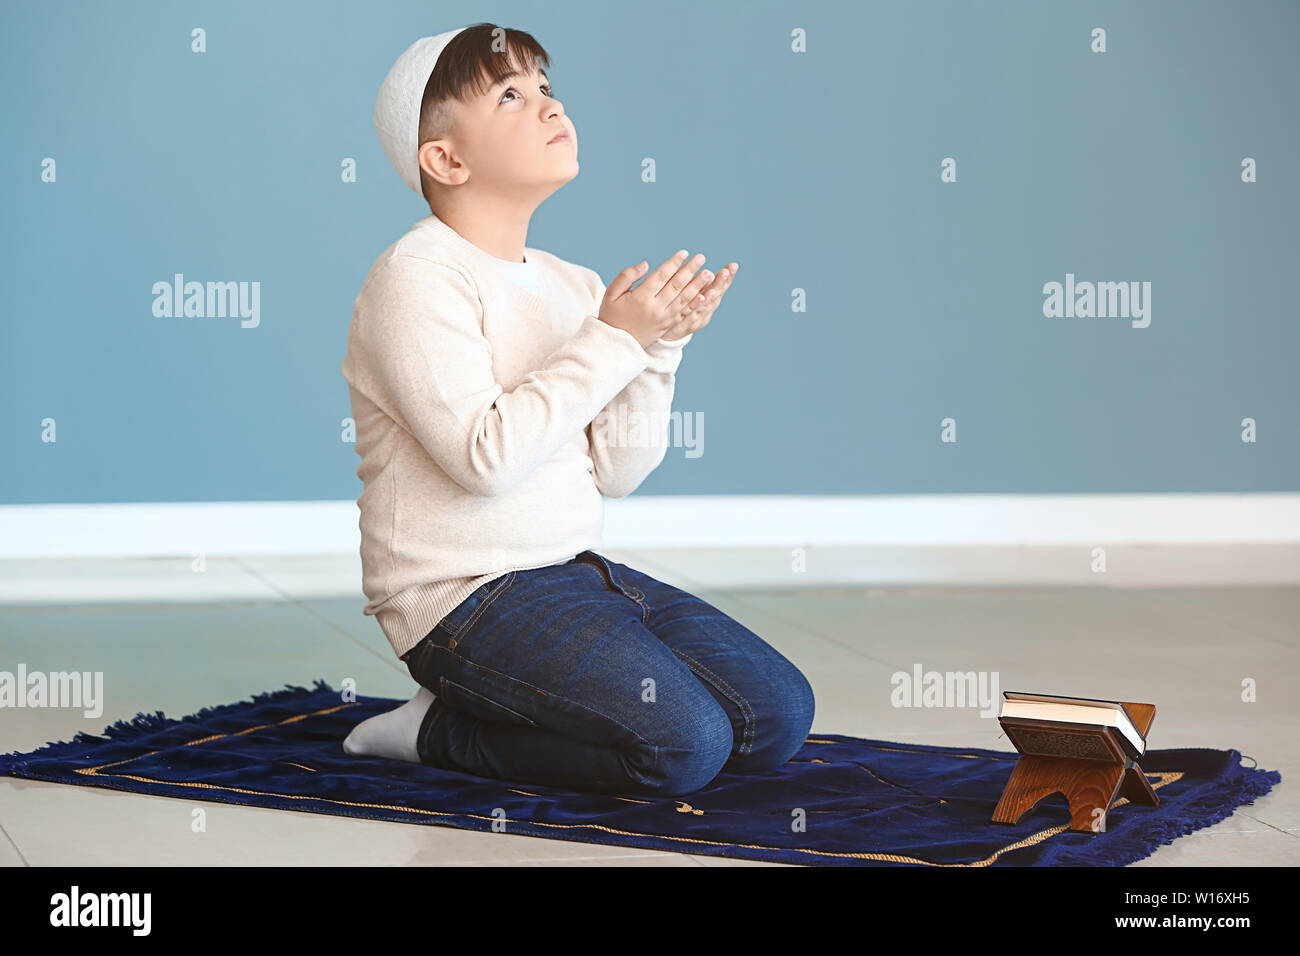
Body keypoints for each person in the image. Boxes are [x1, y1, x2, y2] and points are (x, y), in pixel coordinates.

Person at [340, 22, 814, 797]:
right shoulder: (416, 277)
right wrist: (614, 341)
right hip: (465, 599)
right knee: (684, 747)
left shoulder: (572, 283)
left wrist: (657, 349)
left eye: (546, 86)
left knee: (778, 718)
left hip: (574, 573)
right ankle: (438, 728)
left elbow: (618, 472)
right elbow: (484, 460)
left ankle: (518, 705)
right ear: (446, 159)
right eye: (511, 95)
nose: (549, 106)